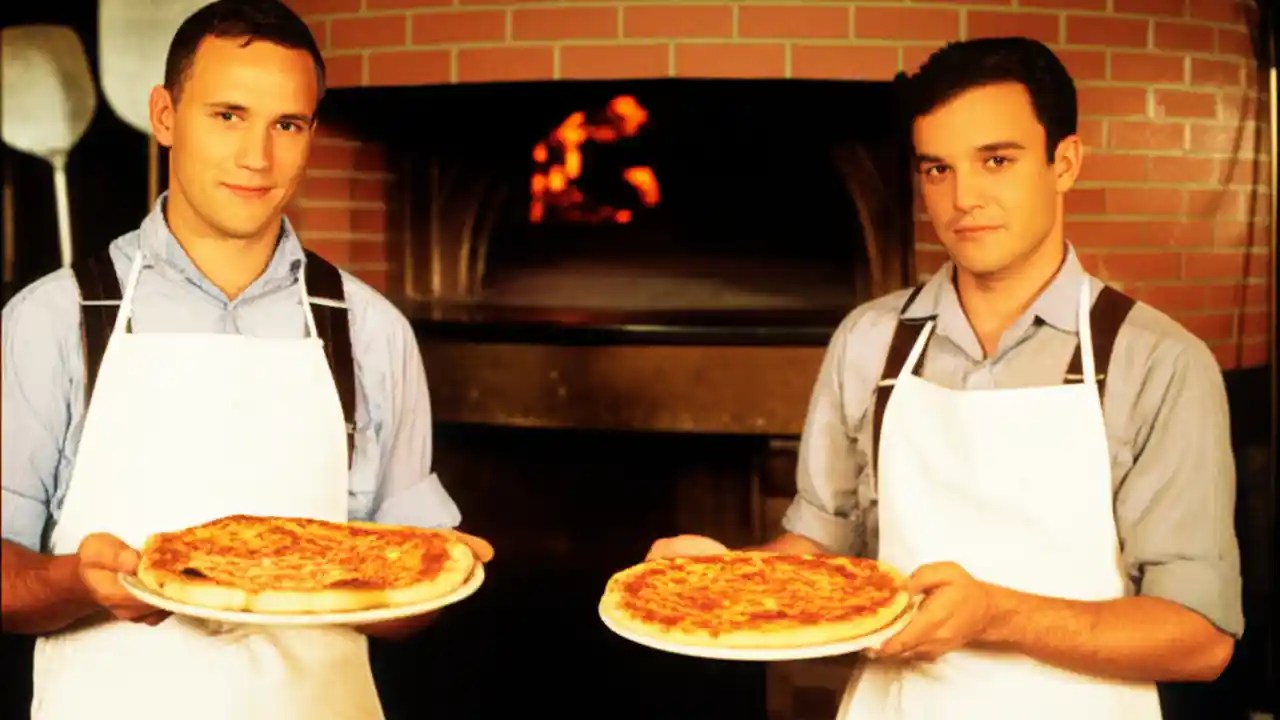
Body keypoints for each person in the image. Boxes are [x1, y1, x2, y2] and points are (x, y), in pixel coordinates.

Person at [646, 37, 1243, 719]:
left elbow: (1200, 640)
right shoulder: (868, 340)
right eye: (938, 169)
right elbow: (820, 550)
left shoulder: (1160, 362)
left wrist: (994, 615)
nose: (963, 199)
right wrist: (726, 582)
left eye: (996, 160)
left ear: (1064, 163)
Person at [0, 1, 465, 718]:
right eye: (228, 115)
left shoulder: (373, 332)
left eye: (287, 125)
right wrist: (74, 583)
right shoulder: (51, 319)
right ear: (165, 116)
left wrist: (419, 577)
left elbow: (416, 590)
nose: (257, 157)